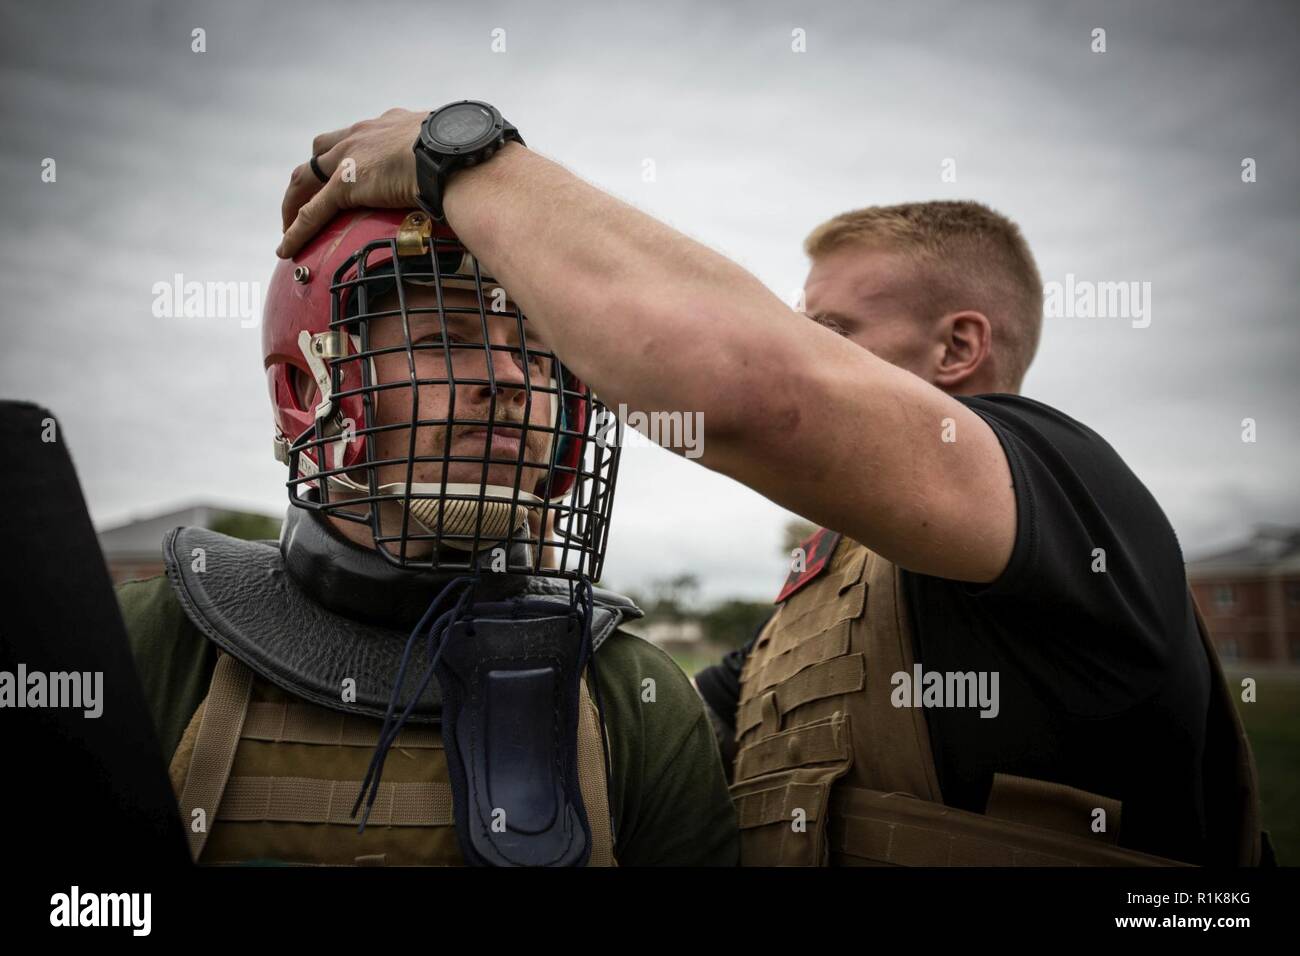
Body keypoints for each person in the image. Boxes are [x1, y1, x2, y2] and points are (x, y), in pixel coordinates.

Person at [274, 102, 1267, 866]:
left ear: (958, 345)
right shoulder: (836, 577)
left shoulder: (1064, 479)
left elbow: (746, 390)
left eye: (828, 334)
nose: (799, 348)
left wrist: (466, 155)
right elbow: (681, 724)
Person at [118, 207, 738, 866]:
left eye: (536, 354)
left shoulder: (631, 691)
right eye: (443, 340)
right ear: (311, 385)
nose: (508, 381)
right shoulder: (153, 642)